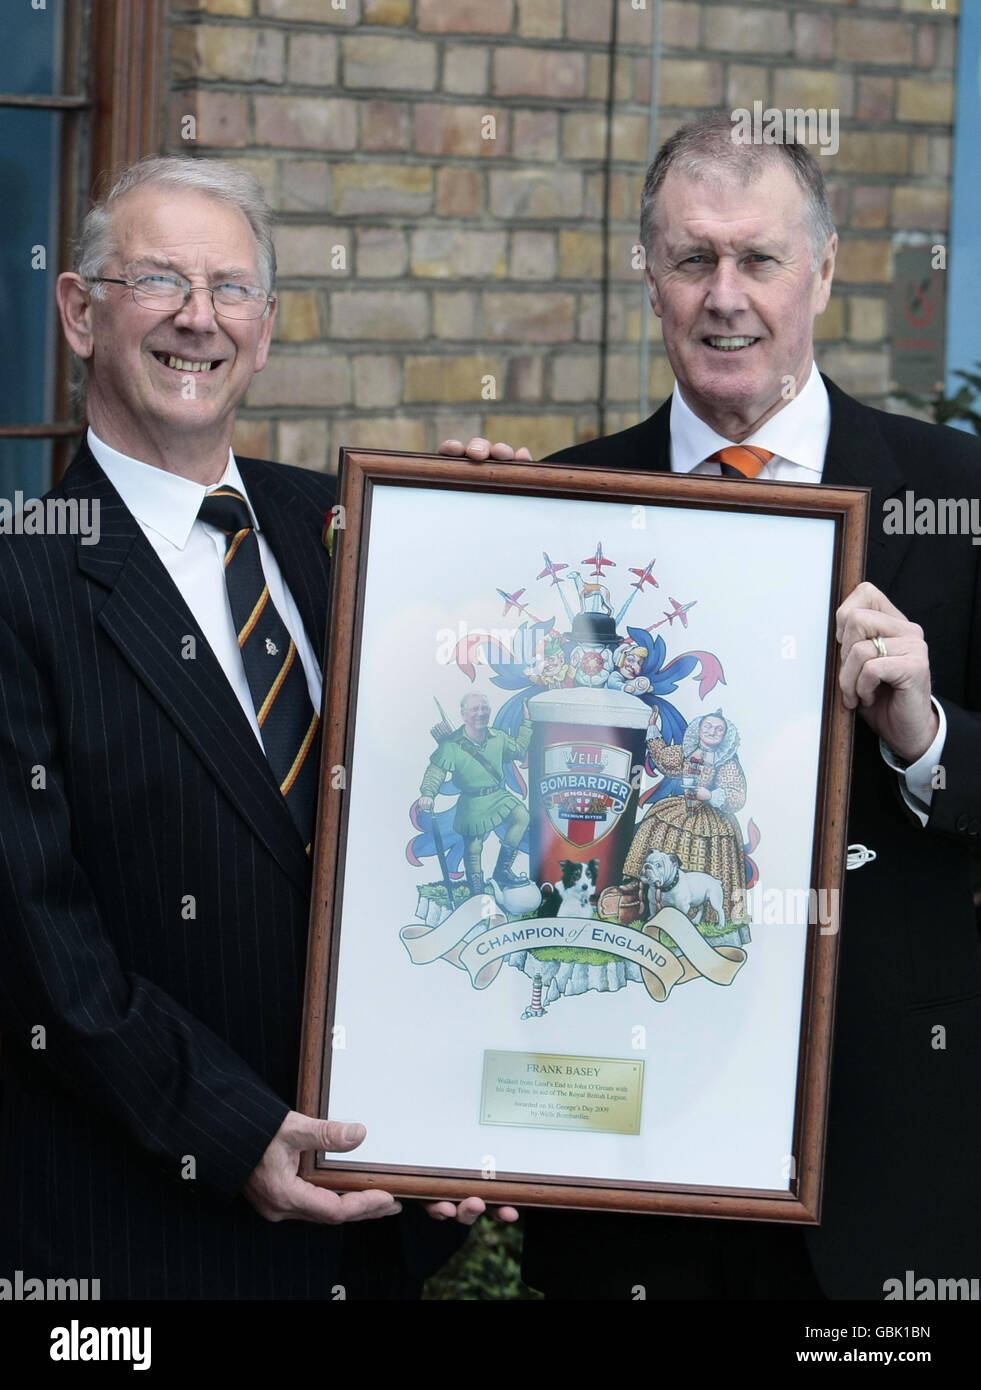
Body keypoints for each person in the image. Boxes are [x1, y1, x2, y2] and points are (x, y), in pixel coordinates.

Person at [444, 111, 981, 1300]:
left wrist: (924, 736)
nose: (725, 295)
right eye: (693, 260)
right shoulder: (568, 513)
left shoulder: (958, 493)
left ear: (824, 272)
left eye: (760, 258)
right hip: (642, 1161)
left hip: (891, 1155)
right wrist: (456, 547)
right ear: (652, 280)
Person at [0, 156, 510, 1300]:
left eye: (231, 288)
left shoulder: (350, 523)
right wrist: (232, 1134)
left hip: (368, 1224)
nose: (199, 318)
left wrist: (502, 542)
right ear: (82, 313)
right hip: (137, 1236)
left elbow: (456, 783)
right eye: (159, 281)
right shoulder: (22, 580)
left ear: (267, 331)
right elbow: (41, 946)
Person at [623, 709, 748, 939]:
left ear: (724, 735)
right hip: (683, 807)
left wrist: (709, 795)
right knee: (654, 822)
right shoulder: (687, 751)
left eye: (718, 729)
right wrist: (652, 726)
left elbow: (737, 794)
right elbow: (662, 758)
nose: (712, 732)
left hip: (712, 817)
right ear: (699, 729)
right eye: (708, 727)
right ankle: (638, 890)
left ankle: (708, 914)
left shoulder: (726, 762)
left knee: (704, 847)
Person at [417, 692, 531, 897]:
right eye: (475, 709)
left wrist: (527, 722)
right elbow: (435, 772)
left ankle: (502, 871)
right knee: (473, 848)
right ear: (463, 714)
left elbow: (520, 750)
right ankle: (476, 892)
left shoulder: (499, 737)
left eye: (484, 708)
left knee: (521, 815)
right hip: (472, 802)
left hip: (497, 796)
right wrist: (428, 794)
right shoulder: (450, 745)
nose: (481, 713)